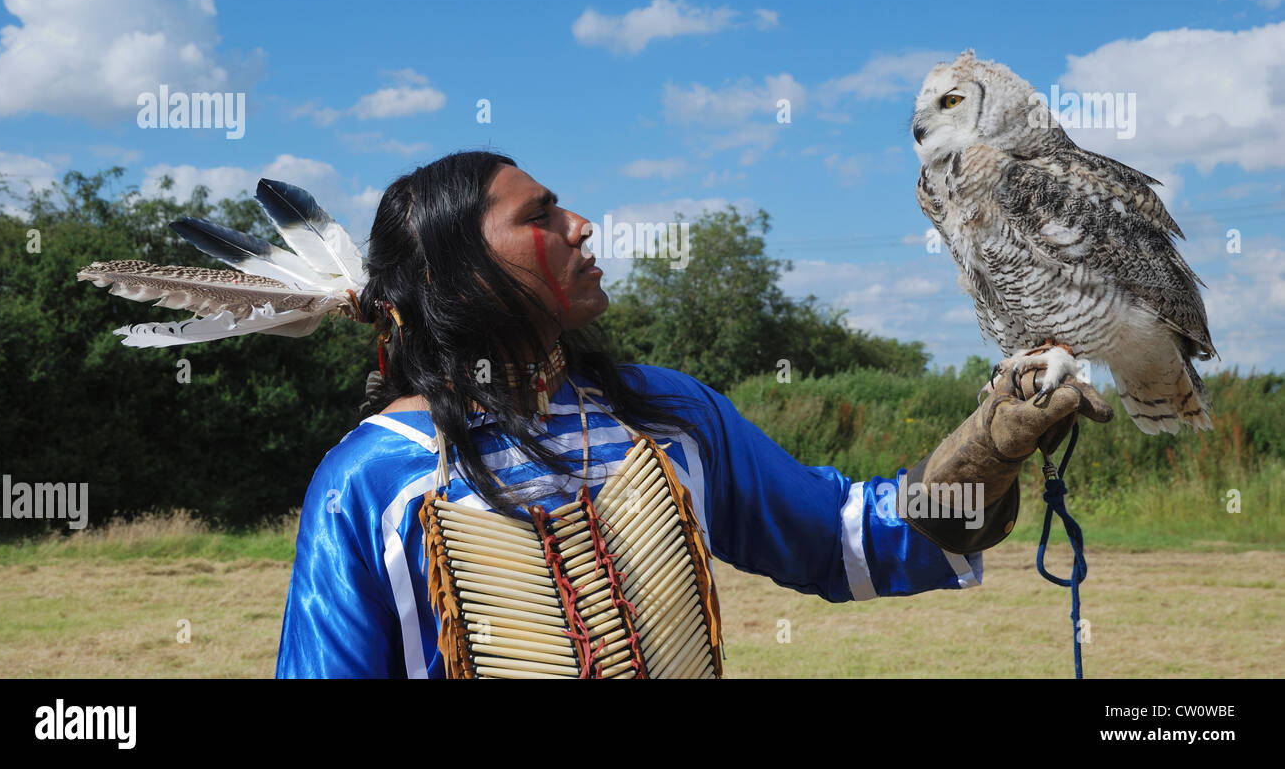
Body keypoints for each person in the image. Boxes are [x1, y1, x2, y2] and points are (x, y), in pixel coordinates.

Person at [274, 150, 1111, 678]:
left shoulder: (669, 416)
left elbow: (839, 536)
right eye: (538, 217)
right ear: (459, 280)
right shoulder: (373, 479)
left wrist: (984, 460)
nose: (580, 226)